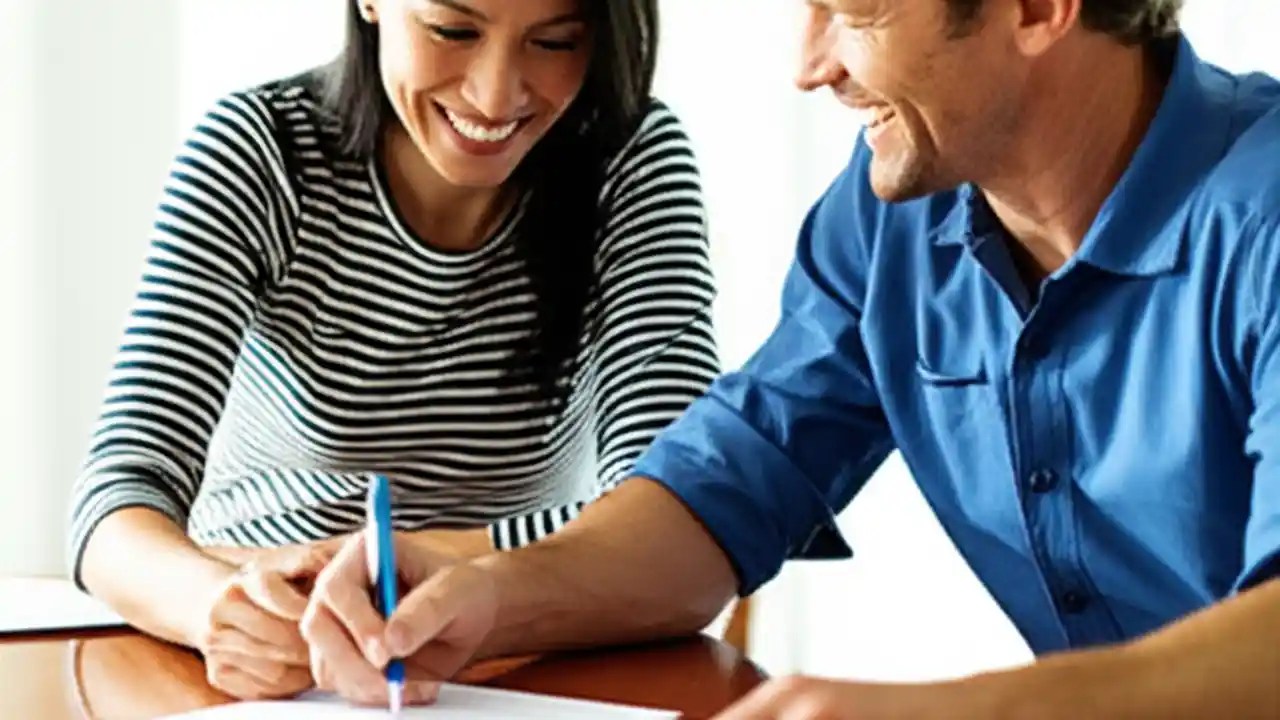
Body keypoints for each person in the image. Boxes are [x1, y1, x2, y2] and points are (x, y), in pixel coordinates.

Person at [302, 0, 1280, 716]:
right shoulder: (890, 214)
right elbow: (718, 496)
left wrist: (967, 711)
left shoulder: (1262, 213)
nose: (811, 65)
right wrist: (486, 595)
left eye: (852, 11)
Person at [67, 0, 719, 702]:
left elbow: (672, 513)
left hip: (512, 651)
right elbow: (118, 497)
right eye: (452, 31)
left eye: (556, 42)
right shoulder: (261, 150)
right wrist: (215, 601)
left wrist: (413, 572)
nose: (495, 94)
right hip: (259, 652)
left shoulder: (631, 158)